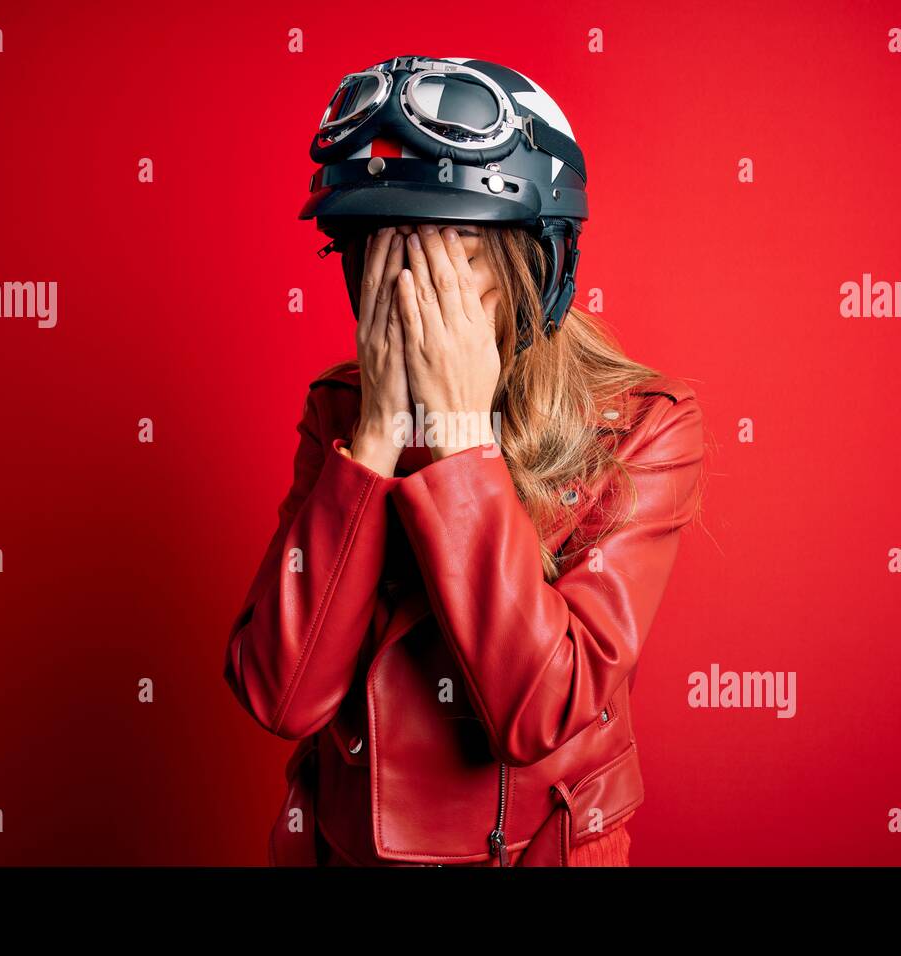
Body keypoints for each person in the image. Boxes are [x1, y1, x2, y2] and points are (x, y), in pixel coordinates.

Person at [225, 55, 706, 866]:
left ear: (535, 263)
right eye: (387, 245)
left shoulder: (642, 426)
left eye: (451, 246)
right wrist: (376, 434)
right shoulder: (341, 412)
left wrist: (458, 439)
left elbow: (542, 711)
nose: (416, 281)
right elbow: (283, 693)